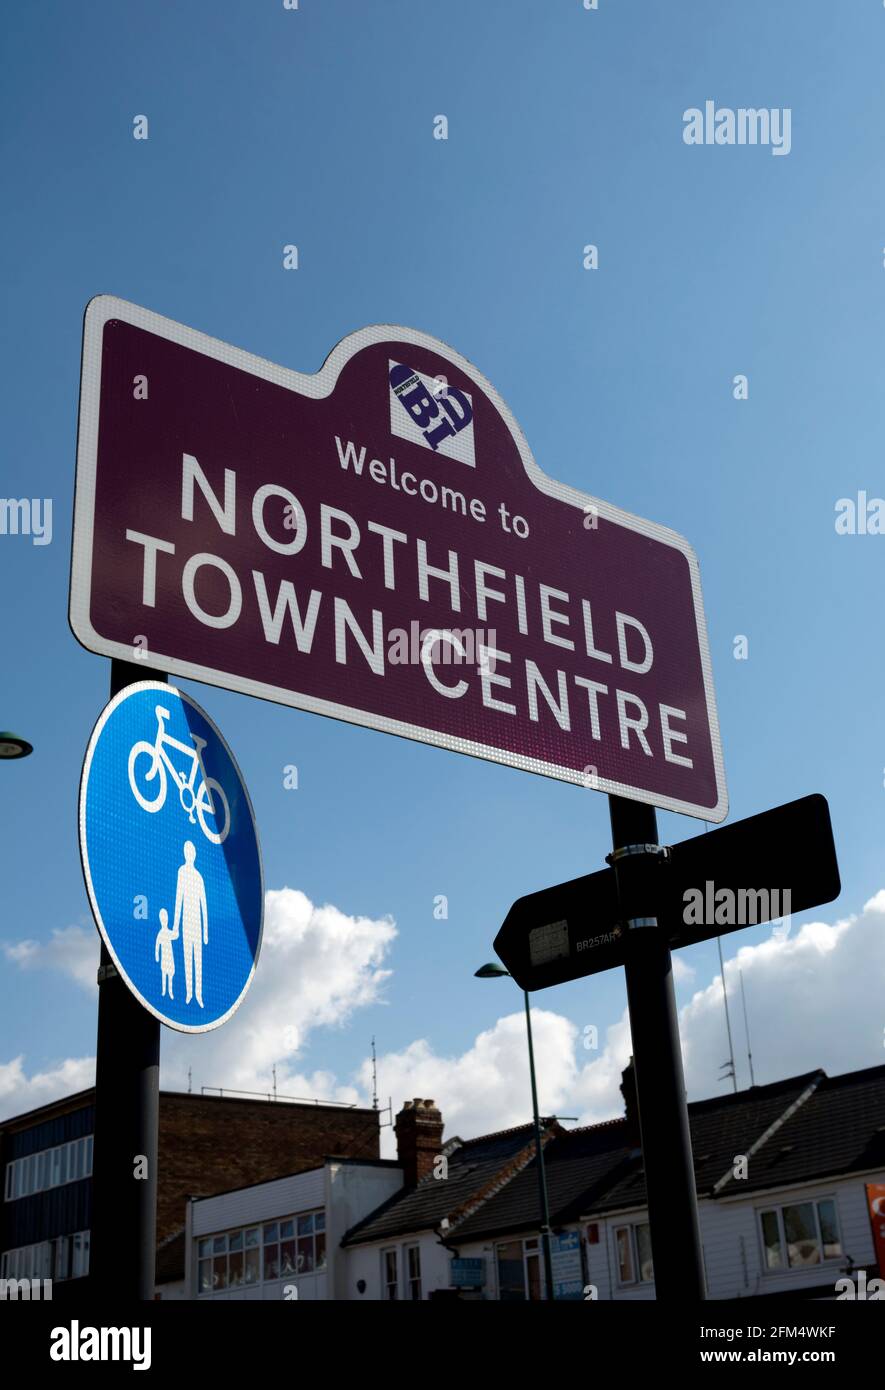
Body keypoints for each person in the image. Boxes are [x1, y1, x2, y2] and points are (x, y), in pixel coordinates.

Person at [172, 840, 208, 1007]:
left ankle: (198, 995)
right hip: (186, 921)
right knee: (187, 958)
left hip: (197, 924)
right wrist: (175, 925)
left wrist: (206, 931)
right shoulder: (182, 872)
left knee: (198, 960)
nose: (190, 854)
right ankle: (188, 993)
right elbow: (178, 898)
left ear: (194, 854)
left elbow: (204, 904)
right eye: (188, 851)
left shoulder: (199, 877)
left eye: (192, 851)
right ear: (185, 854)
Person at [154, 908, 176, 1000]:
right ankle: (164, 991)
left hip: (170, 958)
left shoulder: (168, 932)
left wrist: (176, 927)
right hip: (164, 959)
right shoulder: (161, 933)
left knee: (170, 975)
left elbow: (175, 935)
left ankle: (170, 991)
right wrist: (157, 956)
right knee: (164, 974)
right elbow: (157, 946)